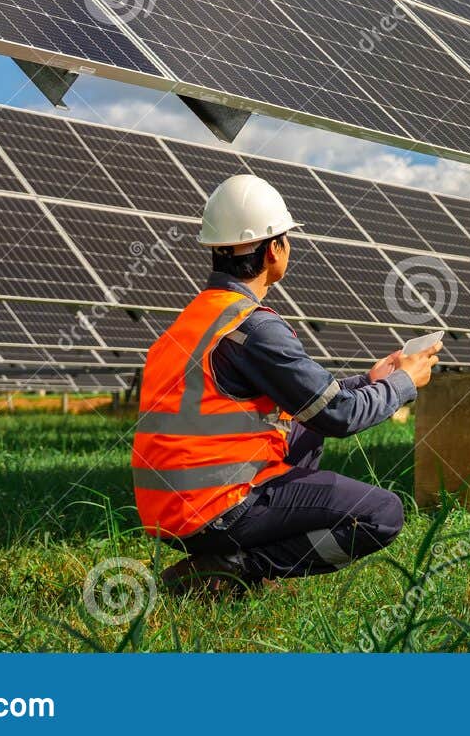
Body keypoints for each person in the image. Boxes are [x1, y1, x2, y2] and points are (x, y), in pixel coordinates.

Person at [132, 173, 443, 594]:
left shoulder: (195, 321)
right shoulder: (253, 328)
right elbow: (339, 416)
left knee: (305, 427)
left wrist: (370, 381)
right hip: (216, 507)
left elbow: (314, 404)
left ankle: (228, 555)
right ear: (275, 249)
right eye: (286, 239)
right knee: (382, 514)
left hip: (168, 509)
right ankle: (237, 568)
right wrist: (404, 383)